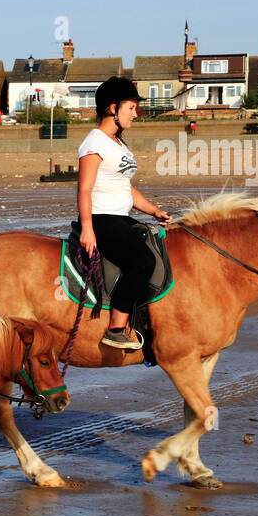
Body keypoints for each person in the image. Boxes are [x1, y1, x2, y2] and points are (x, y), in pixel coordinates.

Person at [75, 76, 171, 351]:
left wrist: (154, 211)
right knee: (142, 261)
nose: (136, 113)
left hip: (120, 217)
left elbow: (127, 189)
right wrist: (87, 228)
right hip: (102, 219)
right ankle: (116, 328)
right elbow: (84, 189)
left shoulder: (118, 144)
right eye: (131, 107)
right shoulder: (94, 143)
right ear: (112, 108)